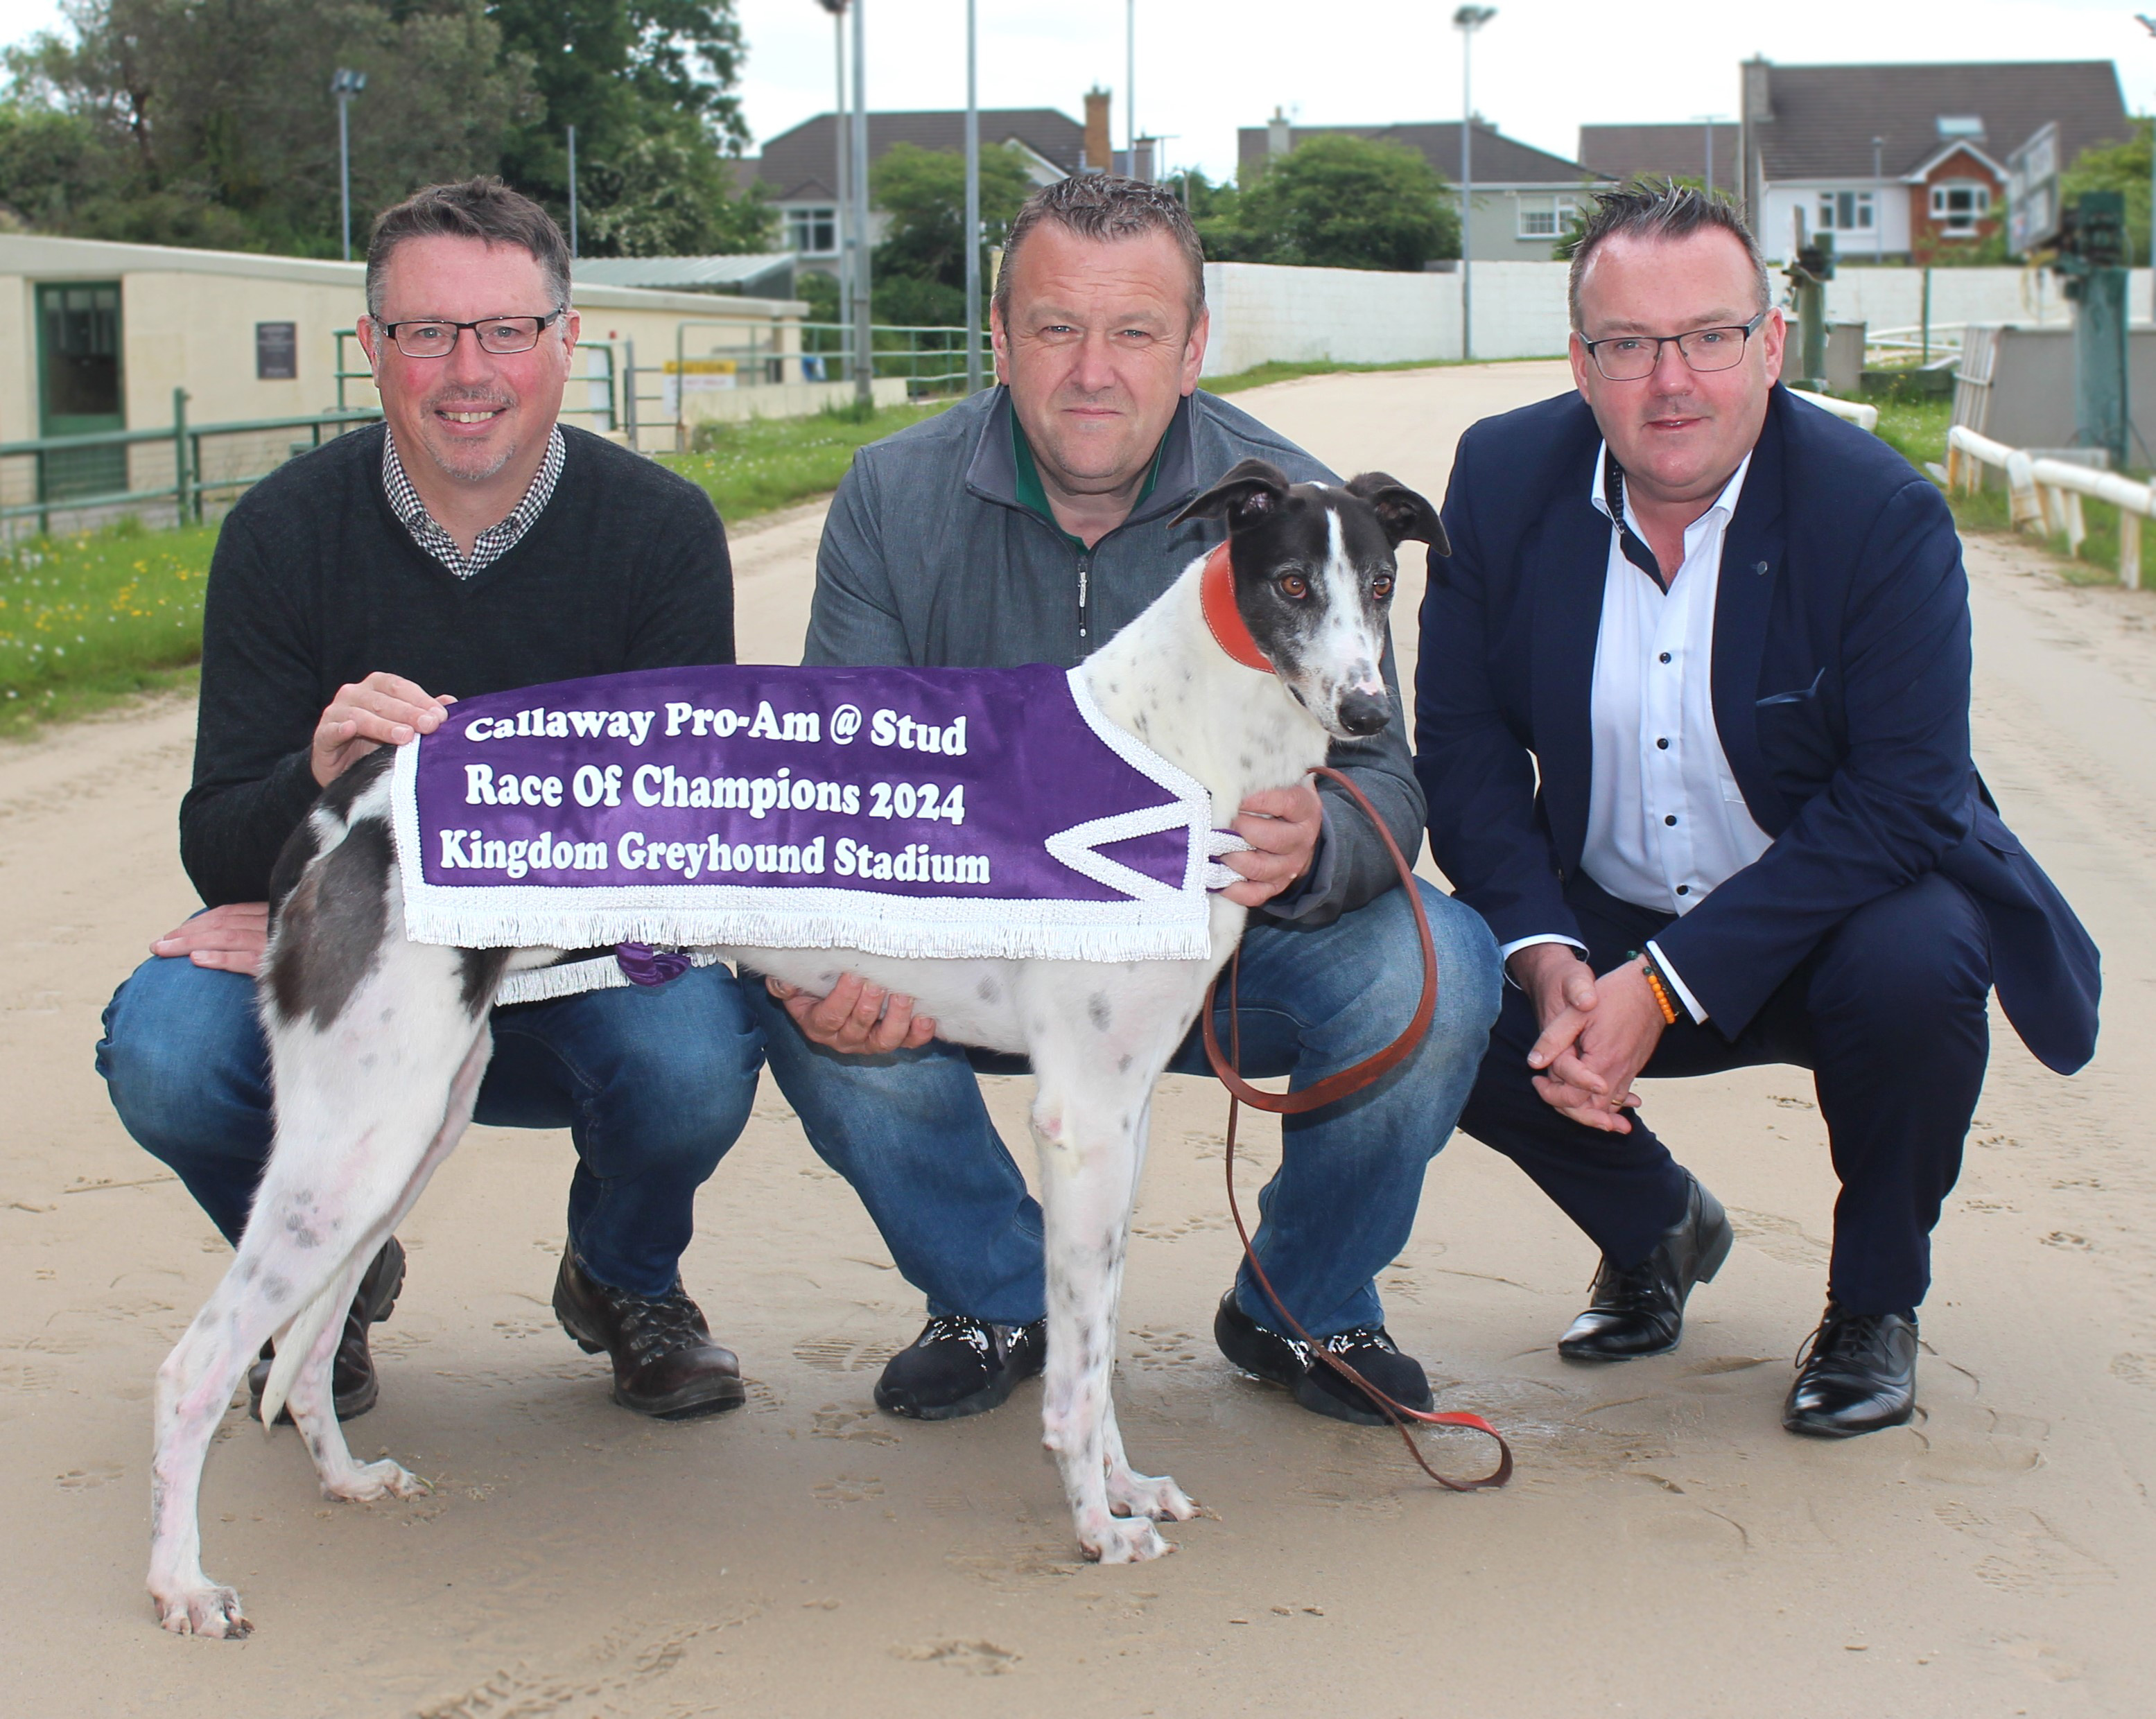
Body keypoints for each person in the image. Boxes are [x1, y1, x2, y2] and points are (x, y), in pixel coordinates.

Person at [748, 175, 1503, 1427]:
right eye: (1054, 328)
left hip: (1221, 942)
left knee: (1444, 971)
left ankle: (1301, 1306)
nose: (1092, 371)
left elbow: (1383, 774)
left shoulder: (1308, 514)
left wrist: (1318, 847)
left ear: (1194, 347)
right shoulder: (890, 495)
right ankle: (997, 1294)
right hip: (982, 939)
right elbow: (845, 778)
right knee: (804, 988)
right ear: (999, 339)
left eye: (1136, 332)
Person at [1418, 182, 2101, 1437]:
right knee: (1430, 978)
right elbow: (1459, 743)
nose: (1669, 381)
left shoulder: (1877, 514)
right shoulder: (1502, 480)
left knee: (1921, 956)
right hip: (1598, 918)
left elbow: (1902, 800)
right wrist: (1542, 948)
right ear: (1580, 363)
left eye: (1710, 337)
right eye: (1628, 346)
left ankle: (1872, 1306)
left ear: (1769, 345)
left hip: (1817, 923)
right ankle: (1651, 1227)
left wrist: (1665, 985)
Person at [96, 178, 762, 1423]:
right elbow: (217, 844)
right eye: (425, 333)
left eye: (506, 330)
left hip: (570, 969)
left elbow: (684, 837)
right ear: (371, 349)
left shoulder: (660, 531)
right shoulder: (281, 532)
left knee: (693, 1056)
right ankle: (326, 1275)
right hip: (364, 966)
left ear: (568, 338)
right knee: (165, 1048)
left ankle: (622, 1279)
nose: (469, 369)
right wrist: (312, 780)